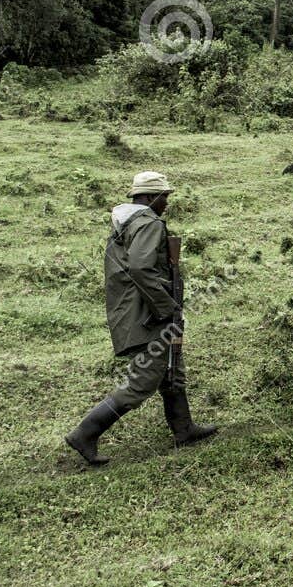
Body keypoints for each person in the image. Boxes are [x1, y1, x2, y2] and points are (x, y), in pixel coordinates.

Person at [64, 171, 217, 465]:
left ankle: (183, 428)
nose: (167, 203)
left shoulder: (128, 224)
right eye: (164, 197)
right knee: (143, 380)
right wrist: (167, 307)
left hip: (137, 311)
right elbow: (141, 269)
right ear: (149, 198)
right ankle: (85, 433)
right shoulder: (147, 223)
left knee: (172, 369)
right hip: (150, 315)